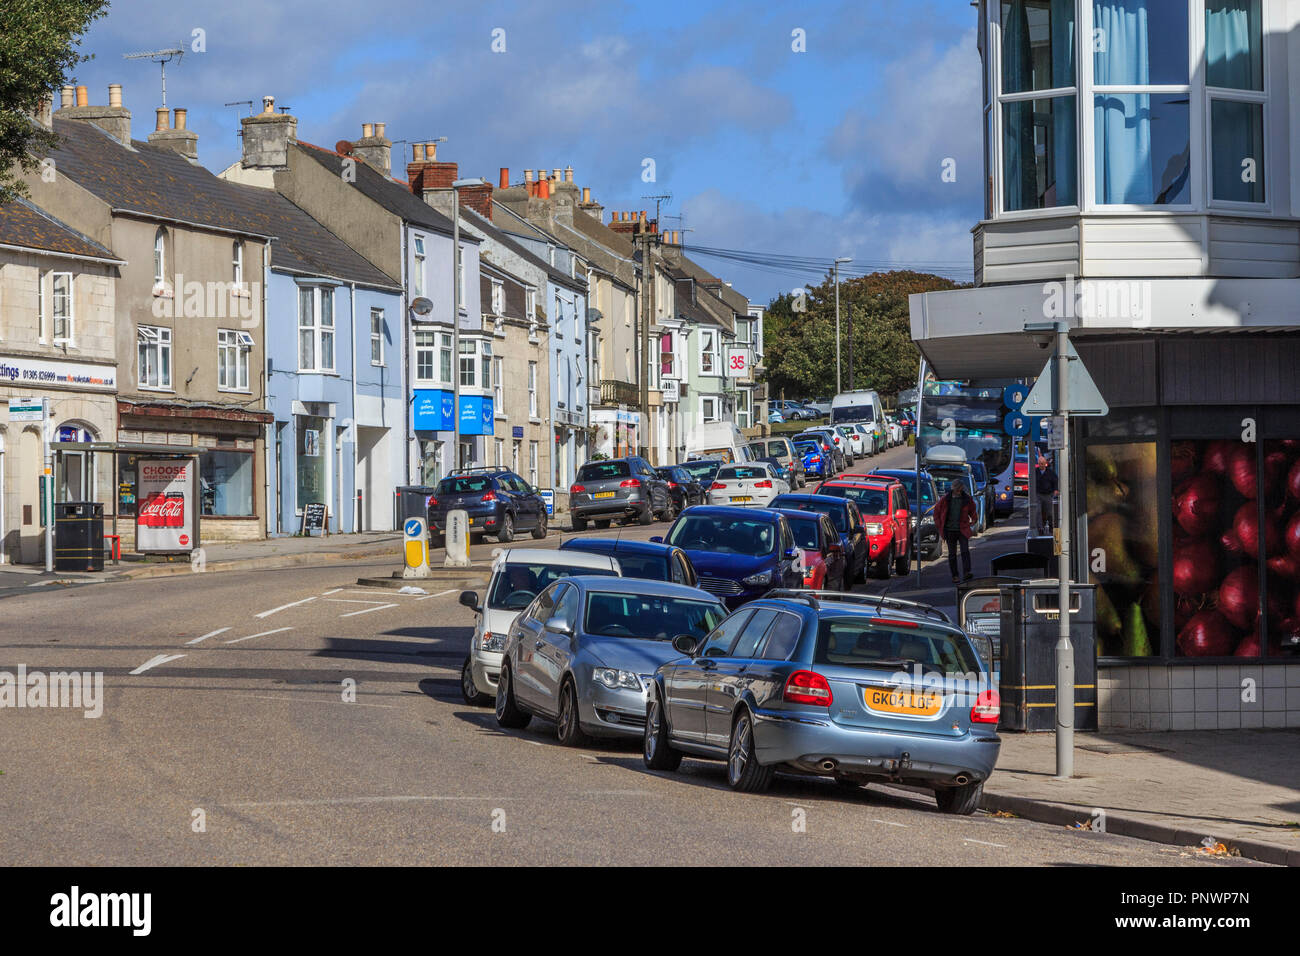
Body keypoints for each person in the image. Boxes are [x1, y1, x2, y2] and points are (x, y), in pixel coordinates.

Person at [933, 479, 978, 584]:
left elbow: (972, 511)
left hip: (962, 529)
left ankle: (967, 572)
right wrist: (940, 527)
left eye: (960, 489)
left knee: (965, 551)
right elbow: (936, 513)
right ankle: (955, 575)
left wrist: (973, 520)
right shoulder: (945, 499)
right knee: (952, 554)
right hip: (949, 530)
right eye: (958, 489)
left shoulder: (967, 499)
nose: (959, 491)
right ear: (954, 489)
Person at [1035, 453, 1059, 534]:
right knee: (1038, 511)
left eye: (1042, 463)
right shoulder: (1035, 472)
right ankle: (1040, 529)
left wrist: (1056, 489)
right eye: (1039, 464)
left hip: (1048, 494)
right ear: (1038, 464)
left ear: (1045, 463)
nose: (1041, 465)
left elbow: (1055, 481)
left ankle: (1051, 527)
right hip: (1038, 494)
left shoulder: (1050, 472)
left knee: (1049, 512)